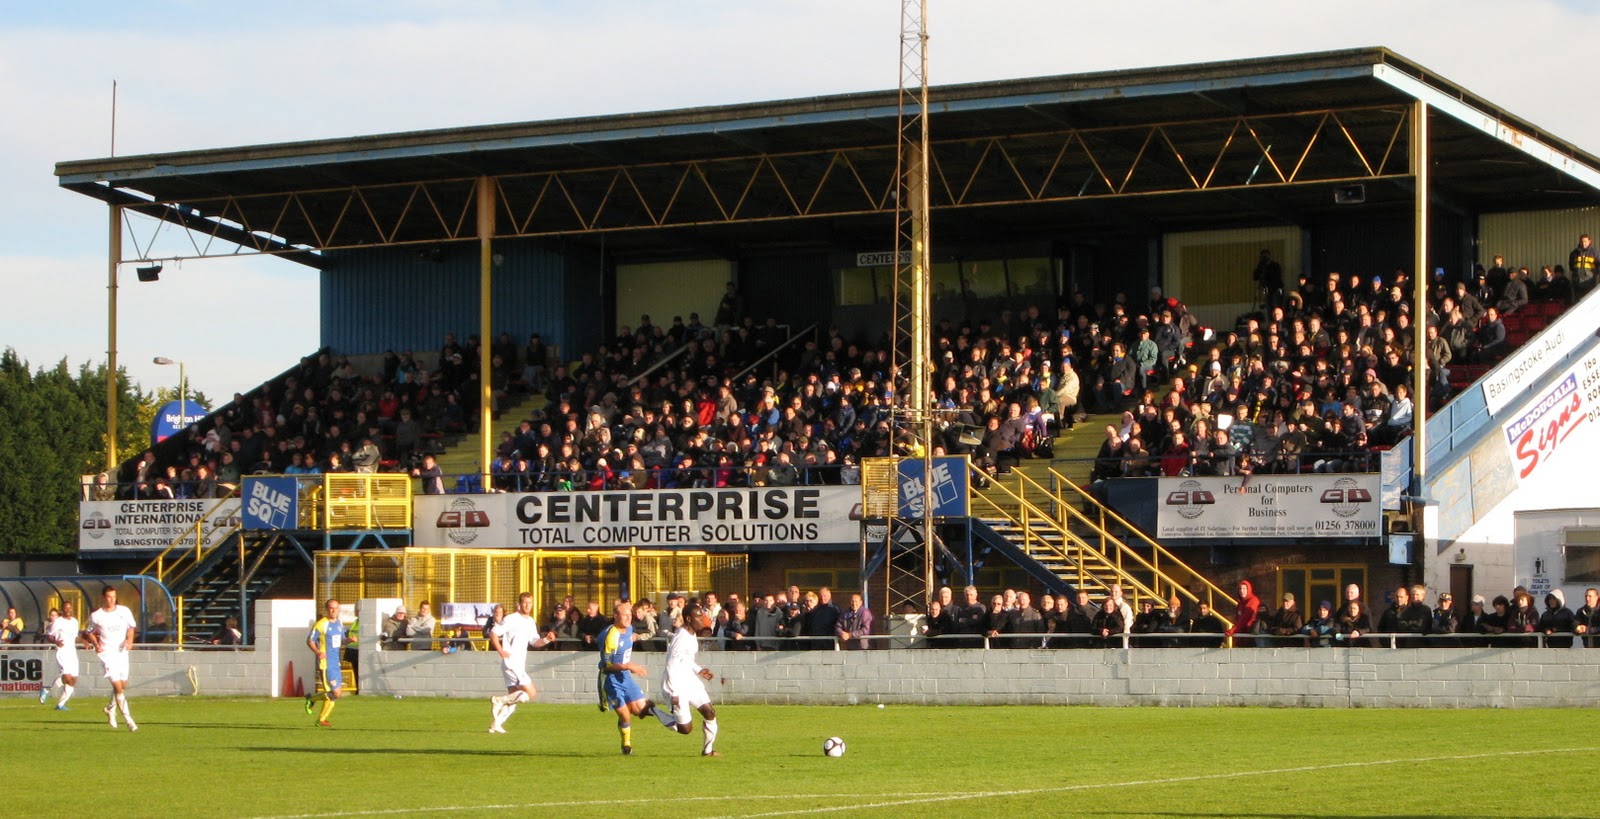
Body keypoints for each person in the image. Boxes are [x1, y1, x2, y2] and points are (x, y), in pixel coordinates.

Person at [598, 601, 664, 756]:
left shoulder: (629, 629)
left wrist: (633, 638)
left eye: (630, 614)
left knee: (640, 709)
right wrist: (629, 666)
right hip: (611, 679)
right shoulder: (610, 636)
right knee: (625, 715)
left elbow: (630, 637)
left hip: (625, 677)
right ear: (615, 616)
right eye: (624, 615)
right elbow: (607, 666)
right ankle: (626, 744)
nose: (628, 618)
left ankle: (671, 719)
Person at [488, 592, 558, 734]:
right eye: (525, 602)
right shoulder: (511, 619)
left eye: (530, 602)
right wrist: (501, 650)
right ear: (519, 604)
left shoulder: (530, 621)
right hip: (511, 663)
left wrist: (546, 639)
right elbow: (493, 633)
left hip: (517, 663)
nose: (527, 605)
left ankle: (496, 724)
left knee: (514, 697)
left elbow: (534, 642)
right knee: (531, 693)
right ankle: (499, 700)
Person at [658, 603, 721, 756]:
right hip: (676, 685)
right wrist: (674, 693)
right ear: (688, 619)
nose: (702, 619)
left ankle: (708, 751)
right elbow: (671, 665)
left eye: (702, 615)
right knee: (685, 729)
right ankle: (652, 709)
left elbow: (685, 660)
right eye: (698, 616)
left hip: (690, 681)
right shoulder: (681, 638)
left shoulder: (691, 634)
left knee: (709, 712)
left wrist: (699, 670)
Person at [89, 586, 138, 731]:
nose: (112, 600)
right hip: (107, 655)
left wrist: (129, 641)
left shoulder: (124, 611)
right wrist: (96, 644)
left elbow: (131, 627)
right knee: (117, 687)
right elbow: (90, 632)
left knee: (122, 686)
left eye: (114, 597)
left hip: (122, 652)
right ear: (104, 598)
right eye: (109, 597)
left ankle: (111, 709)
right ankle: (129, 721)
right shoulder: (96, 615)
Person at [305, 598, 346, 727]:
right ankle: (312, 699)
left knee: (335, 694)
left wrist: (350, 639)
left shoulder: (339, 623)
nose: (333, 611)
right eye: (331, 608)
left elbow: (341, 640)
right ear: (326, 609)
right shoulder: (321, 624)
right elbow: (310, 640)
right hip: (326, 664)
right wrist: (318, 652)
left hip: (336, 663)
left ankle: (321, 720)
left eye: (336, 608)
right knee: (335, 693)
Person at [39, 604, 80, 710]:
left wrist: (85, 641)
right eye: (65, 608)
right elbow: (49, 635)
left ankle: (61, 704)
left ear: (71, 609)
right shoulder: (58, 622)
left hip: (72, 653)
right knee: (66, 677)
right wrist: (56, 641)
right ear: (62, 609)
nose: (68, 609)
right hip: (62, 651)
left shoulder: (75, 621)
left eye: (69, 607)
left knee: (73, 680)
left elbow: (75, 636)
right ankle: (47, 689)